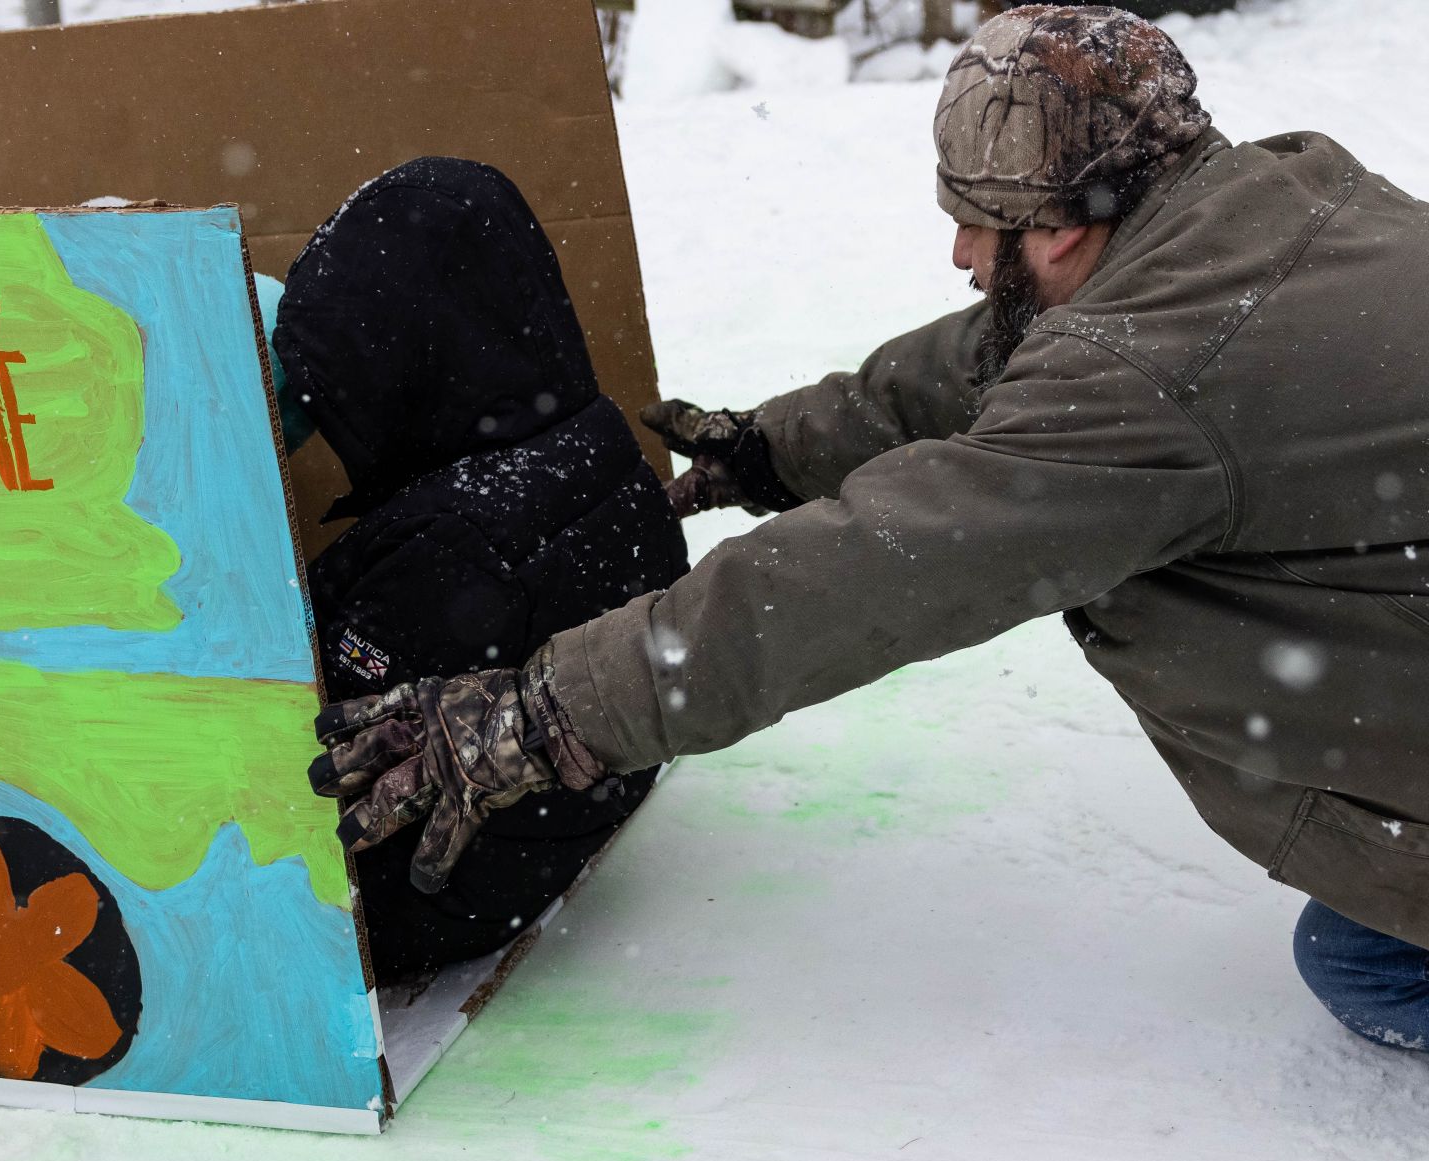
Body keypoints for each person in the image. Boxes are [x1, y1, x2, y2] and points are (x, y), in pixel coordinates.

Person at [311, 5, 1429, 1047]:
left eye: (974, 223)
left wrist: (553, 709)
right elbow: (1007, 358)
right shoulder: (1275, 200)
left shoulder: (1152, 381)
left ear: (1060, 229)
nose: (958, 255)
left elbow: (884, 569)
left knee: (1363, 964)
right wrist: (774, 447)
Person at [274, 157, 688, 984]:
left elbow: (307, 763)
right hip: (558, 829)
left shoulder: (455, 549)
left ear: (398, 361)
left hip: (435, 900)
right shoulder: (588, 438)